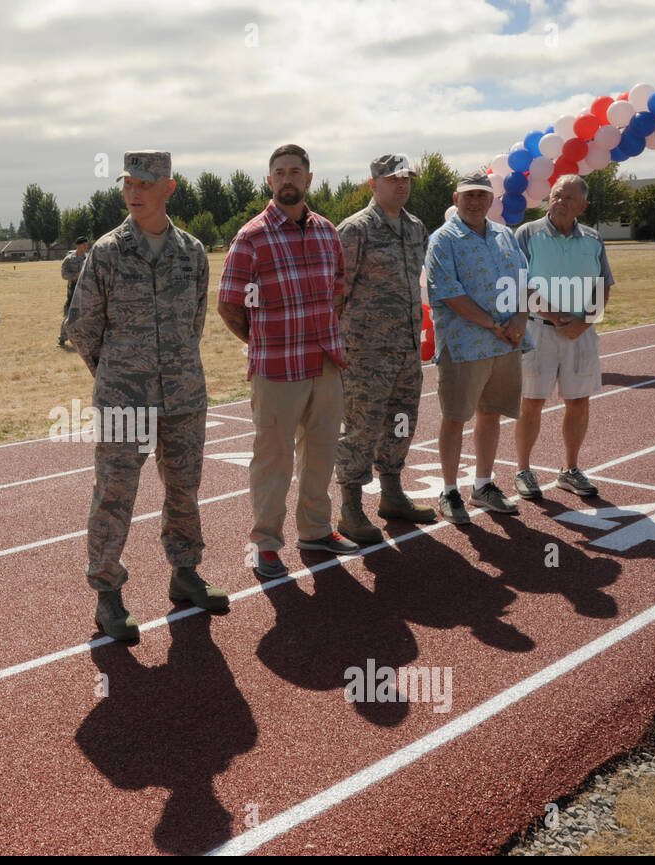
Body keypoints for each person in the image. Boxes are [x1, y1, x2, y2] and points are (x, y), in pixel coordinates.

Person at [65, 150, 228, 641]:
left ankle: (185, 572)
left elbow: (195, 321)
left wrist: (169, 365)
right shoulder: (109, 252)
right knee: (115, 495)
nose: (134, 193)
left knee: (184, 489)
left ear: (168, 188)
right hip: (124, 398)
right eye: (128, 184)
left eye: (144, 183)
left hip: (183, 395)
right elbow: (82, 326)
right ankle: (108, 595)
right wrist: (116, 372)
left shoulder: (193, 252)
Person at [218, 143, 356, 580]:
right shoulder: (251, 236)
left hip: (326, 363)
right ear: (269, 181)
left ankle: (315, 530)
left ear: (309, 179)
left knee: (320, 453)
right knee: (272, 460)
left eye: (295, 171)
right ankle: (265, 545)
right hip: (277, 369)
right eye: (279, 172)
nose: (287, 178)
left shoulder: (326, 231)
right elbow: (229, 304)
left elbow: (338, 286)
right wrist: (261, 341)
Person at [334, 153, 436, 544]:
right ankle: (351, 507)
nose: (402, 184)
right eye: (393, 179)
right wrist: (347, 343)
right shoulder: (355, 230)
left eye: (406, 178)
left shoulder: (414, 228)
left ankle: (392, 493)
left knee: (401, 422)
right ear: (374, 183)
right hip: (366, 355)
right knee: (361, 428)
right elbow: (337, 294)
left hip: (408, 349)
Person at [424, 169, 531, 525]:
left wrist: (520, 318)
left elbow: (523, 281)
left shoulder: (505, 235)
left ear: (491, 200)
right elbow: (449, 292)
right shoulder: (443, 239)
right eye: (468, 195)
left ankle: (483, 485)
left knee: (491, 413)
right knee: (455, 417)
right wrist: (495, 325)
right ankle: (450, 490)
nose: (474, 201)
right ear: (456, 200)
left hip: (505, 344)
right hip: (464, 345)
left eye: (481, 195)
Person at [512, 174, 614, 501]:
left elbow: (604, 285)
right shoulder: (527, 234)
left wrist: (581, 323)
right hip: (538, 331)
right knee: (532, 403)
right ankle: (524, 470)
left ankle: (570, 470)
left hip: (581, 334)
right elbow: (519, 285)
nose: (559, 202)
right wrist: (558, 319)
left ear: (582, 205)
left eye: (568, 198)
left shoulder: (594, 239)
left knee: (579, 402)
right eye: (556, 195)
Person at [58, 236, 89, 347]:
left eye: (87, 245)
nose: (86, 247)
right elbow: (63, 274)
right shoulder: (69, 259)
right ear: (78, 245)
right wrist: (75, 276)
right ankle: (62, 338)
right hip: (74, 289)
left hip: (88, 290)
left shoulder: (89, 258)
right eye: (84, 245)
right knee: (71, 314)